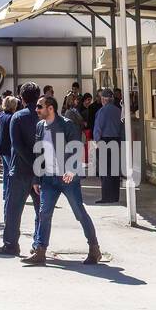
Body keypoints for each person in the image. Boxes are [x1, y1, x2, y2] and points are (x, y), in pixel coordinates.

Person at [25, 95, 101, 266]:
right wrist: (36, 178)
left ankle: (94, 249)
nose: (36, 109)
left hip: (67, 178)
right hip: (48, 178)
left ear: (50, 108)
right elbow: (38, 153)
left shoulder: (67, 125)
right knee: (44, 214)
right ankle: (40, 252)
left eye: (40, 106)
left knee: (79, 213)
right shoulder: (39, 126)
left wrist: (72, 170)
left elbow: (77, 148)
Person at [0, 83, 42, 256]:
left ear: (21, 98)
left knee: (13, 210)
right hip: (40, 171)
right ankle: (38, 244)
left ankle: (11, 244)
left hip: (20, 170)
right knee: (41, 211)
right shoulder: (44, 118)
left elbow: (17, 145)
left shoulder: (18, 117)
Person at [92, 88, 124, 204]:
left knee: (105, 170)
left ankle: (106, 197)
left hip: (104, 141)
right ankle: (115, 196)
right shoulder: (119, 111)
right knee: (114, 170)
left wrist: (97, 142)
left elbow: (98, 129)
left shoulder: (101, 112)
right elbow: (122, 129)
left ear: (103, 99)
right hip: (116, 141)